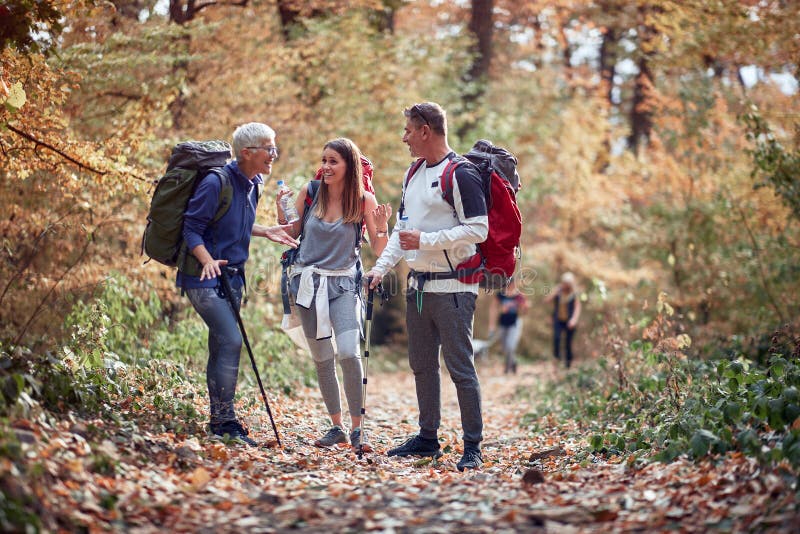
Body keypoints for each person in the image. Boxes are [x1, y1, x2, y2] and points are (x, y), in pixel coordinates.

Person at [366, 102, 488, 471]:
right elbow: (403, 235)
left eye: (408, 130)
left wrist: (427, 240)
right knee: (421, 364)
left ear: (425, 131)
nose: (404, 137)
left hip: (453, 288)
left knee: (460, 367)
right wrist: (379, 269)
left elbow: (478, 229)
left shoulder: (461, 174)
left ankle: (472, 446)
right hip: (417, 288)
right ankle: (427, 438)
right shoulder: (413, 172)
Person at [178, 122, 299, 447]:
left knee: (221, 344)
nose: (273, 154)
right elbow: (192, 229)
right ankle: (225, 421)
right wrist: (206, 261)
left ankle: (220, 421)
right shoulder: (216, 182)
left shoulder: (253, 183)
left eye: (274, 148)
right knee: (231, 340)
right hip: (202, 277)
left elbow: (238, 222)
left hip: (233, 278)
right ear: (247, 153)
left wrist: (267, 230)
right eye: (268, 148)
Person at [280, 138, 391, 451]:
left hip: (343, 285)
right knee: (323, 358)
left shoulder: (363, 200)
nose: (326, 167)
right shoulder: (310, 192)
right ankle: (337, 427)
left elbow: (381, 250)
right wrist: (282, 211)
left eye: (333, 162)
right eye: (324, 160)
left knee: (348, 352)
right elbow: (290, 235)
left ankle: (358, 429)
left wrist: (381, 228)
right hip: (306, 284)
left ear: (348, 166)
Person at [488, 279, 529, 374]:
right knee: (504, 347)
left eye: (512, 284)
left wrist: (525, 308)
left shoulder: (519, 296)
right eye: (509, 284)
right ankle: (513, 362)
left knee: (510, 346)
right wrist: (492, 325)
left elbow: (524, 311)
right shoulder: (500, 295)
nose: (511, 286)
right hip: (502, 323)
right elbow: (493, 309)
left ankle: (507, 366)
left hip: (514, 323)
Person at [544, 272, 582, 368]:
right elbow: (547, 301)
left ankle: (568, 364)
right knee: (556, 339)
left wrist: (574, 320)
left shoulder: (574, 294)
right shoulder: (558, 292)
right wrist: (555, 292)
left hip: (569, 321)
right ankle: (557, 359)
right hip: (558, 320)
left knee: (568, 343)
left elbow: (577, 308)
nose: (565, 285)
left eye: (567, 283)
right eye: (564, 282)